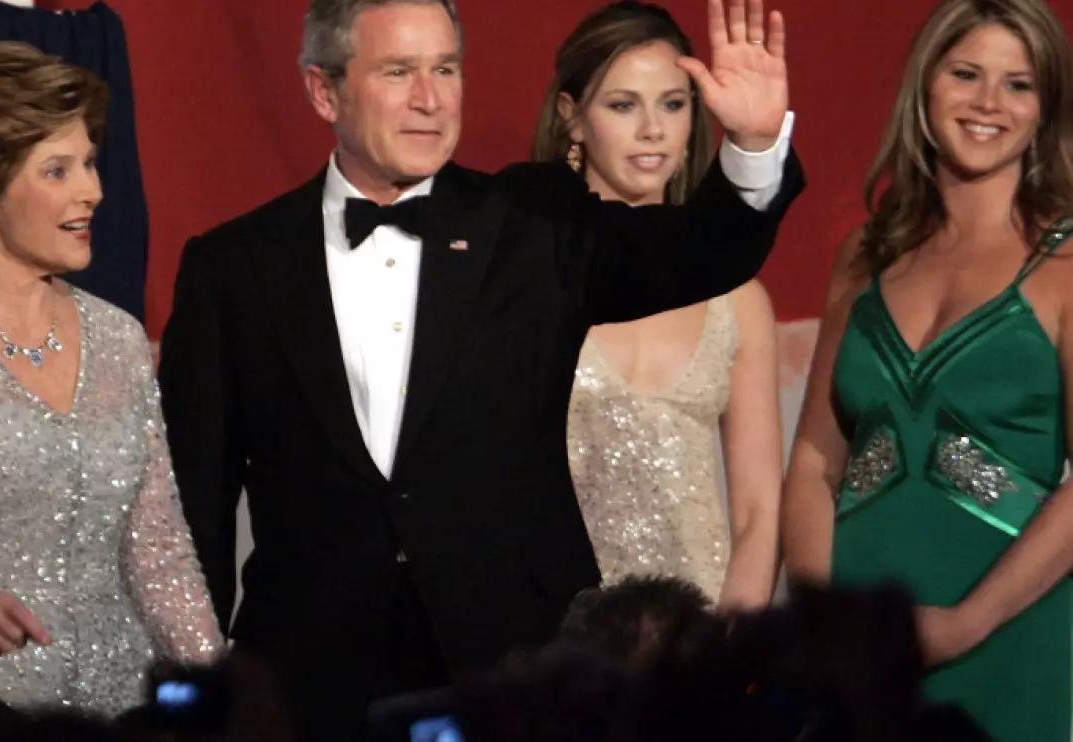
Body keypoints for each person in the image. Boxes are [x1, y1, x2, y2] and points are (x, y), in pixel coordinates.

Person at [158, 0, 803, 738]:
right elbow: (192, 512)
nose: (430, 99)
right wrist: (195, 693)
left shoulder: (535, 223)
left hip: (516, 668)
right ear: (323, 91)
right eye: (399, 71)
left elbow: (697, 252)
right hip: (312, 681)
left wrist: (751, 144)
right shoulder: (233, 268)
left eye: (446, 69)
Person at [0, 41, 224, 739]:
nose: (93, 191)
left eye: (90, 163)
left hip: (119, 710)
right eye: (58, 170)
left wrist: (219, 691)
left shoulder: (120, 339)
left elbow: (158, 549)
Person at [780, 0, 1073, 739]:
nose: (987, 103)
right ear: (925, 85)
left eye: (1018, 84)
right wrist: (826, 620)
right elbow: (815, 461)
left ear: (1047, 107)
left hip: (1011, 635)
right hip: (860, 647)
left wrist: (965, 624)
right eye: (966, 73)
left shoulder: (1068, 263)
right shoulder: (866, 253)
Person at [535, 0, 782, 609]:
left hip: (696, 644)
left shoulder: (739, 299)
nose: (653, 130)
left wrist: (729, 643)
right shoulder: (527, 271)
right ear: (573, 117)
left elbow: (758, 510)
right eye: (623, 105)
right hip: (555, 642)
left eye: (673, 104)